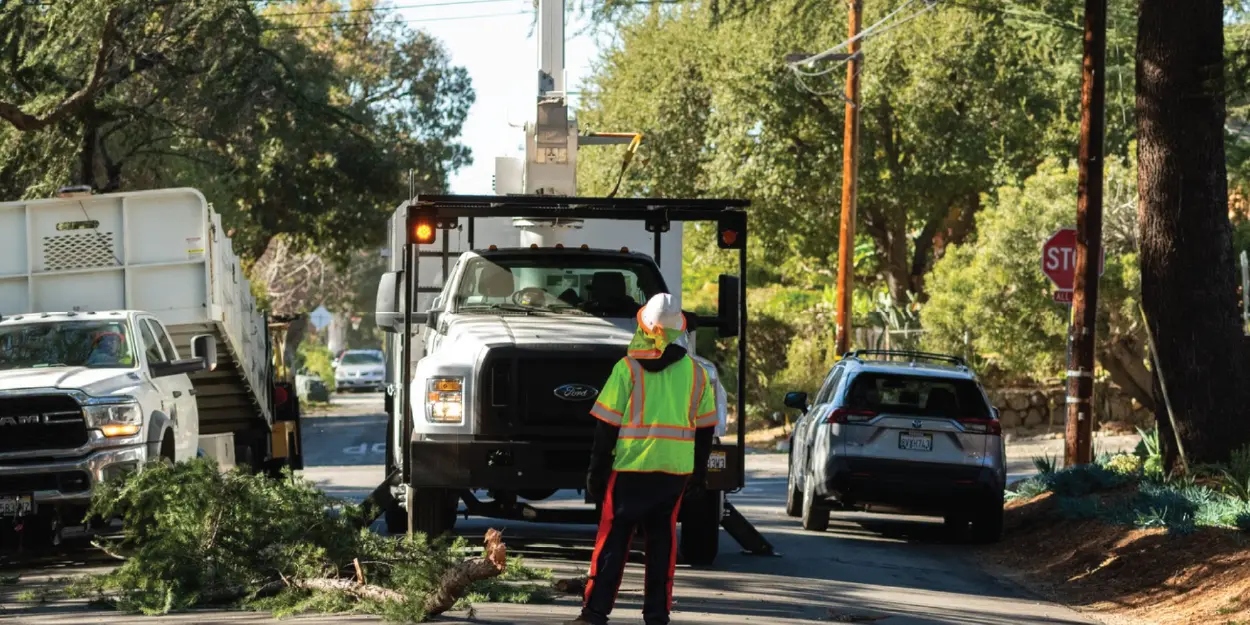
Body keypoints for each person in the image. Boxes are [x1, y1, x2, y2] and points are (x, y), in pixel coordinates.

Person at [565, 293, 718, 625]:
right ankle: (657, 615)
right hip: (673, 473)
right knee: (662, 542)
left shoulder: (627, 369)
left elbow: (607, 425)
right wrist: (700, 475)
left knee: (613, 541)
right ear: (678, 330)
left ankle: (594, 613)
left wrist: (596, 470)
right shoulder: (696, 374)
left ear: (646, 328)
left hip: (630, 471)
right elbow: (706, 429)